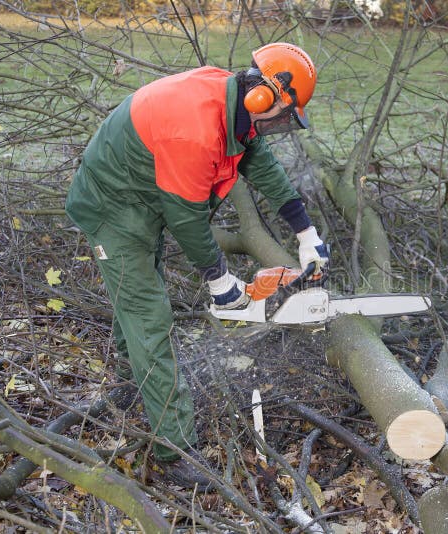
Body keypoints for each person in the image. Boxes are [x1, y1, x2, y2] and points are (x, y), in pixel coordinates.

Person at [65, 43, 329, 490]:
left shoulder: (232, 106)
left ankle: (131, 392)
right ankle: (174, 452)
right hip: (114, 209)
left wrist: (306, 234)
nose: (282, 125)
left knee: (136, 303)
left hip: (143, 199)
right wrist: (220, 280)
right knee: (150, 318)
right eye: (284, 114)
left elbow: (261, 165)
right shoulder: (194, 129)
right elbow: (185, 217)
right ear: (263, 96)